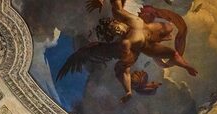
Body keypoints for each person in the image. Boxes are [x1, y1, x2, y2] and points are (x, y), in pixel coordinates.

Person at [59, 0, 197, 102]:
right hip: (142, 44)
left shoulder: (134, 22)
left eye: (115, 26)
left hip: (142, 37)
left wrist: (101, 1)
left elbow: (116, 5)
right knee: (171, 47)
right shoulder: (129, 40)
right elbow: (123, 70)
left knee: (170, 28)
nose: (117, 28)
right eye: (114, 29)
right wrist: (128, 91)